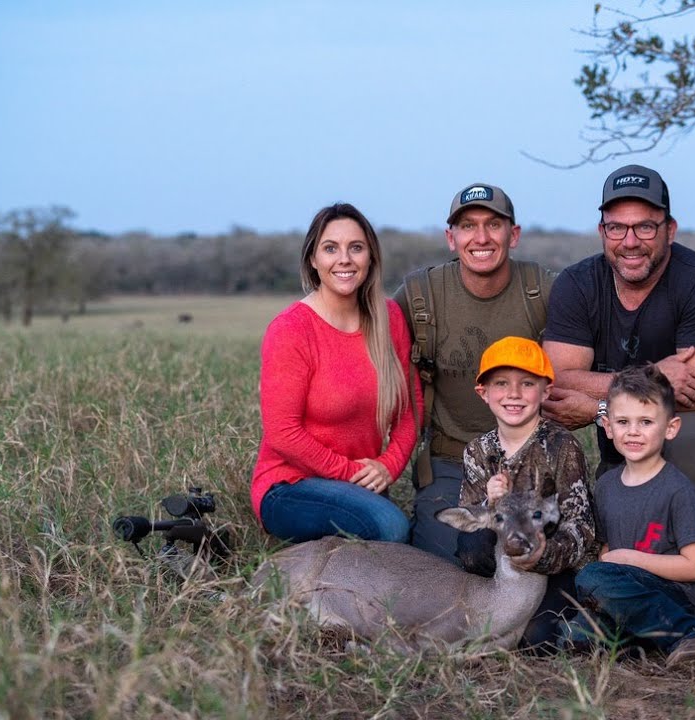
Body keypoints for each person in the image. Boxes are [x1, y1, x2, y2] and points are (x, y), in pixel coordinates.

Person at [541, 164, 695, 582]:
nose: (630, 242)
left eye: (644, 227)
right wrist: (653, 376)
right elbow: (560, 380)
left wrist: (600, 404)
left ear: (669, 229)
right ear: (601, 231)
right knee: (614, 496)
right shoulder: (576, 283)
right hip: (623, 422)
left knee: (684, 439)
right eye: (616, 228)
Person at [393, 182, 557, 564]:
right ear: (451, 238)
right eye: (467, 226)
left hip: (531, 458)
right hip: (452, 459)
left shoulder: (544, 291)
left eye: (493, 225)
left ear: (513, 235)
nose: (481, 237)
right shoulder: (421, 296)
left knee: (541, 558)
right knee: (441, 566)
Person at [250, 202, 421, 544]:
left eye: (355, 248)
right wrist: (352, 473)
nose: (344, 259)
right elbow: (283, 433)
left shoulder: (389, 318)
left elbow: (410, 408)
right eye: (331, 248)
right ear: (313, 260)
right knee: (391, 528)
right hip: (290, 486)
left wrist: (389, 465)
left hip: (359, 485)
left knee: (409, 536)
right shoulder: (292, 329)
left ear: (370, 257)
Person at [457, 336, 596, 652]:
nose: (514, 394)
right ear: (484, 393)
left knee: (536, 641)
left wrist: (543, 556)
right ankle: (494, 604)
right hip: (498, 566)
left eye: (527, 384)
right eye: (501, 383)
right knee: (472, 542)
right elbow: (466, 517)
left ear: (546, 391)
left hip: (552, 565)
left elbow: (581, 527)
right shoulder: (478, 451)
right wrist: (488, 505)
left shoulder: (562, 447)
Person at [570, 364, 695, 665]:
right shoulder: (607, 486)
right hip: (628, 589)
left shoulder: (677, 489)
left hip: (675, 594)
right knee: (573, 635)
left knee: (593, 576)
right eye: (623, 421)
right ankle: (644, 637)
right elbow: (608, 550)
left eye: (646, 421)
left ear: (670, 427)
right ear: (607, 427)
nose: (633, 431)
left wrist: (628, 558)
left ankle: (688, 633)